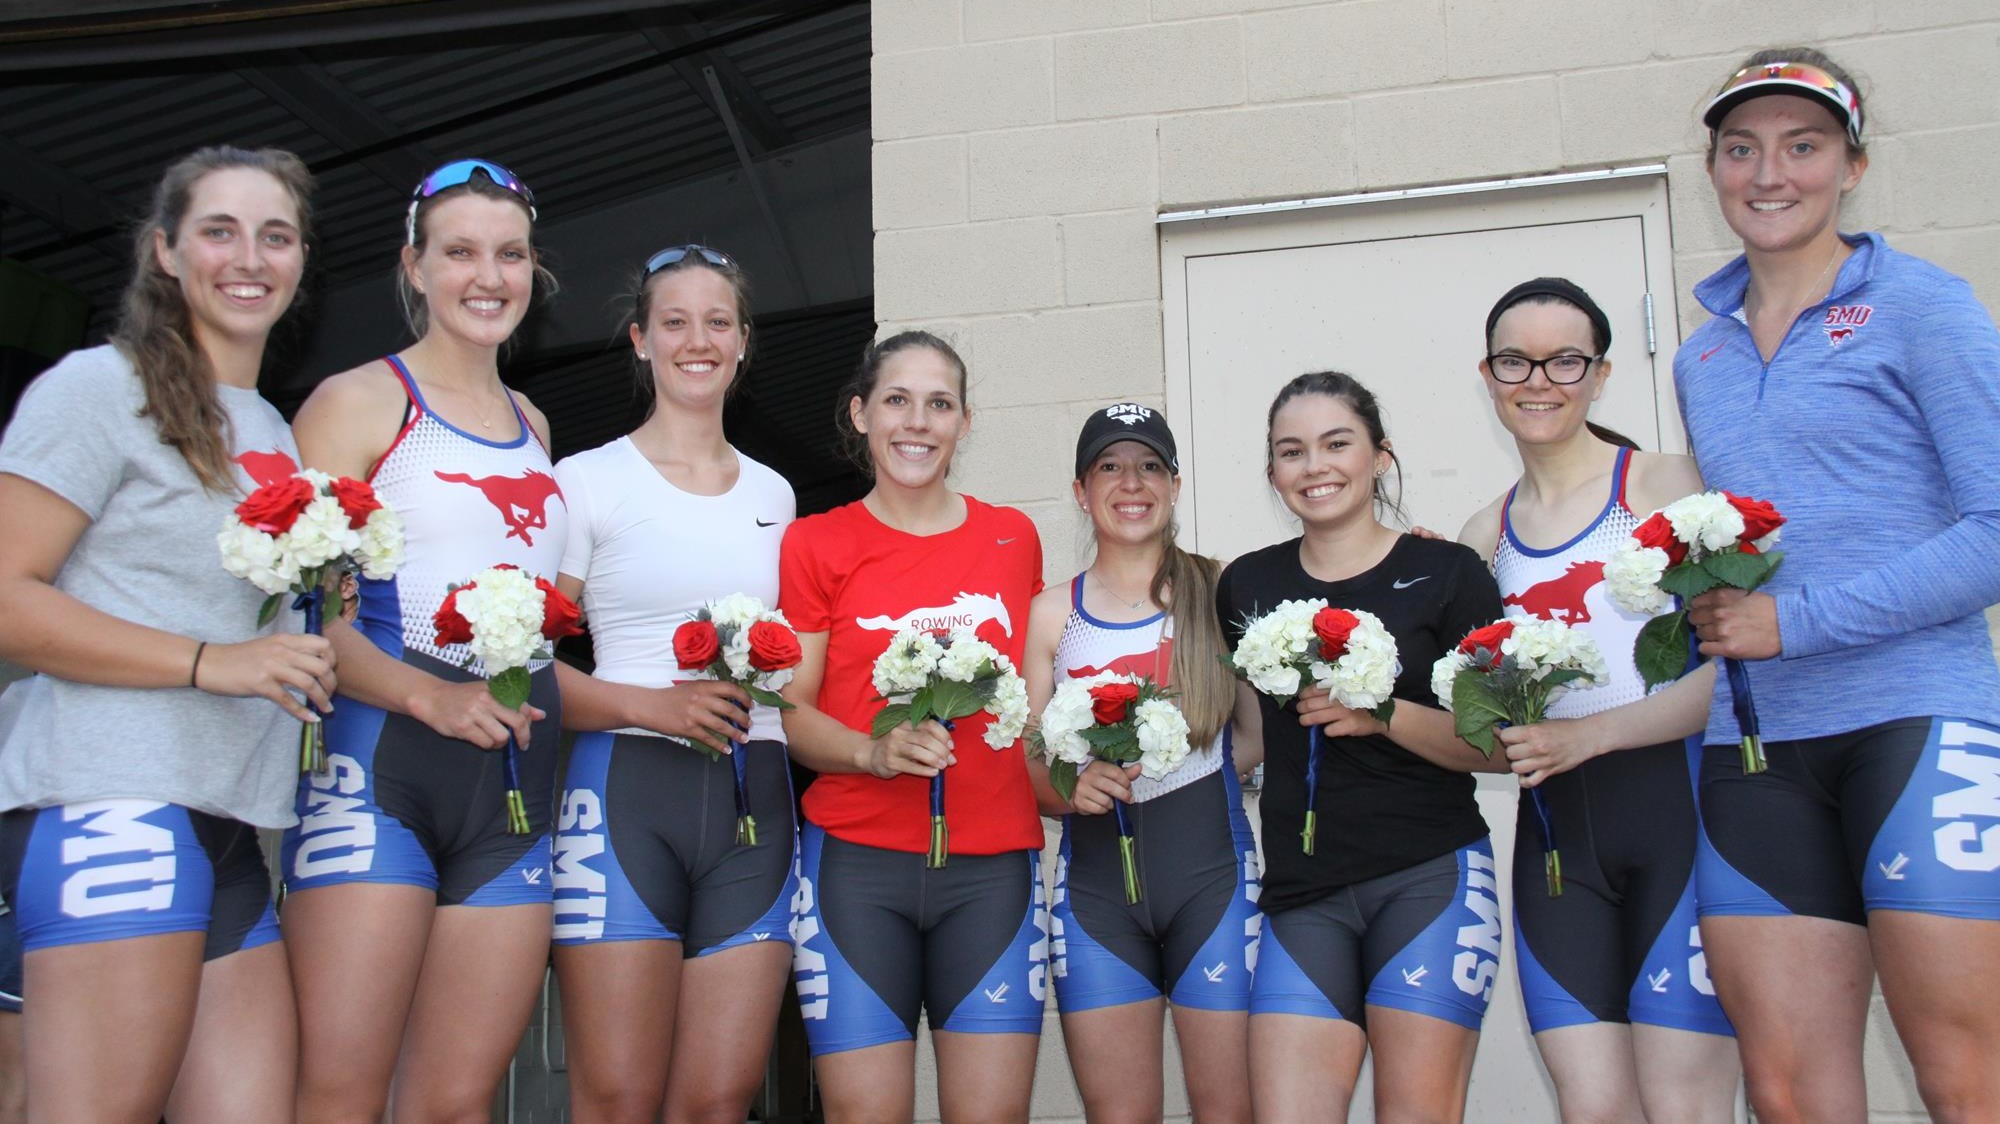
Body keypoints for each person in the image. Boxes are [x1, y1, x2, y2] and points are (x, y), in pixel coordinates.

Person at [1669, 48, 2000, 1122]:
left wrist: (1792, 620)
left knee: (1963, 1074)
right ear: (1713, 167)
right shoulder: (1699, 355)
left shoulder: (1920, 306)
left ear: (1850, 165)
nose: (1769, 173)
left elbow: (1992, 530)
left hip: (1914, 721)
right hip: (1754, 750)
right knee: (1787, 1094)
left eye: (1801, 145)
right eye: (1740, 147)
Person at [0, 145, 331, 1122]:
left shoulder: (273, 428)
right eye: (218, 230)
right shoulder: (95, 387)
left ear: (302, 260)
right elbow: (8, 595)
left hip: (230, 827)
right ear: (164, 252)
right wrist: (209, 663)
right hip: (112, 795)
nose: (249, 256)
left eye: (275, 235)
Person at [282, 157, 565, 1122]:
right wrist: (427, 696)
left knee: (456, 1099)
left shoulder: (533, 422)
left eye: (510, 255)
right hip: (382, 765)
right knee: (340, 1093)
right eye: (460, 254)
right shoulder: (355, 403)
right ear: (413, 266)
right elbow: (310, 623)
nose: (488, 277)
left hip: (513, 783)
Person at [1457, 278, 1738, 1123]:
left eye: (1564, 360)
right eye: (1516, 361)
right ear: (1488, 373)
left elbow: (1740, 669)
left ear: (1602, 373)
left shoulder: (1667, 486)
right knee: (1593, 1107)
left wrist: (1591, 736)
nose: (1538, 380)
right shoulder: (1481, 536)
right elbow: (1477, 717)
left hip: (1678, 822)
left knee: (1684, 1103)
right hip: (1553, 851)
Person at [1217, 371, 1508, 1123]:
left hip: (1427, 879)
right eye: (1292, 451)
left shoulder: (1450, 573)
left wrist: (1383, 714)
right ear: (1273, 471)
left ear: (1380, 455)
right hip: (1302, 893)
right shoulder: (1248, 584)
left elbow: (1502, 746)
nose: (1315, 466)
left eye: (1336, 443)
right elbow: (1253, 740)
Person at [547, 245, 796, 1123]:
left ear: (743, 343)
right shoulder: (583, 481)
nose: (699, 340)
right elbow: (518, 673)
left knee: (719, 1098)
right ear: (640, 340)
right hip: (625, 794)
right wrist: (650, 705)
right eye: (676, 322)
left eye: (718, 322)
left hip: (753, 800)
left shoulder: (777, 495)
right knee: (617, 1098)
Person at [779, 331, 1048, 1123]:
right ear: (861, 413)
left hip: (992, 868)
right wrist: (872, 749)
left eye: (939, 404)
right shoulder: (816, 541)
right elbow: (790, 710)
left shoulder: (1012, 537)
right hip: (857, 868)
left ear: (966, 422)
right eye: (897, 400)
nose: (917, 423)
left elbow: (1034, 702)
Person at [1020, 404, 1259, 1124]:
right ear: (1080, 490)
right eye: (1111, 466)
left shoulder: (1221, 589)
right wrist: (1073, 784)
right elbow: (1029, 765)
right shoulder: (1050, 613)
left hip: (1211, 884)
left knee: (1228, 1110)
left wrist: (1189, 771)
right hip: (1097, 900)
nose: (1132, 482)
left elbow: (1255, 736)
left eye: (1150, 465)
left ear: (1176, 485)